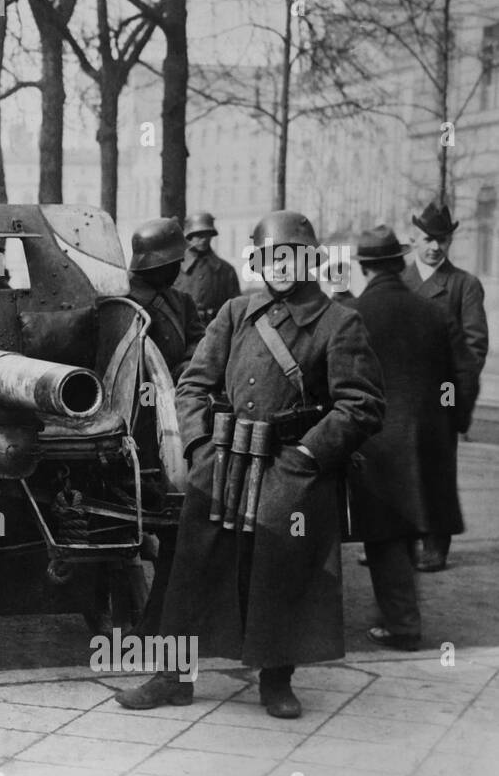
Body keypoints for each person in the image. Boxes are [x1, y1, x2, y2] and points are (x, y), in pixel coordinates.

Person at [116, 210, 384, 719]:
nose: (280, 266)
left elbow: (362, 405)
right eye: (269, 258)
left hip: (293, 469)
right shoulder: (237, 313)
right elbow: (193, 385)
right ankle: (173, 677)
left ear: (310, 261)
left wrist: (308, 455)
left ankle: (276, 679)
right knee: (193, 571)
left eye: (290, 256)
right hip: (225, 461)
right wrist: (198, 448)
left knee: (281, 575)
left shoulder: (340, 322)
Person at [347, 226, 476, 651]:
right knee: (409, 530)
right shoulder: (434, 312)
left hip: (378, 443)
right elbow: (464, 375)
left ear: (365, 267)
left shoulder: (355, 315)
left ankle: (402, 625)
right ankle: (401, 619)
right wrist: (451, 418)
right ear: (400, 262)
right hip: (428, 440)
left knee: (385, 536)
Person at [125, 217, 205, 637]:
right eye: (173, 261)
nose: (178, 267)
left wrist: (187, 370)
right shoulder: (122, 303)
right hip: (138, 427)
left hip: (173, 419)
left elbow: (199, 345)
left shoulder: (180, 302)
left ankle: (155, 622)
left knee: (175, 529)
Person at [402, 200, 488, 571]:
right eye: (427, 239)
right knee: (398, 469)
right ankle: (395, 545)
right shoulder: (398, 282)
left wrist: (454, 398)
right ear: (413, 238)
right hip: (400, 395)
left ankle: (435, 544)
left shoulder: (463, 285)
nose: (435, 247)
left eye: (442, 239)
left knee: (437, 470)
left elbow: (474, 346)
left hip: (440, 396)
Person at [176, 211, 240, 326]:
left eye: (207, 234)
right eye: (199, 235)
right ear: (189, 236)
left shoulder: (225, 270)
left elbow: (236, 309)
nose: (204, 239)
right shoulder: (175, 269)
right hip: (182, 328)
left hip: (215, 329)